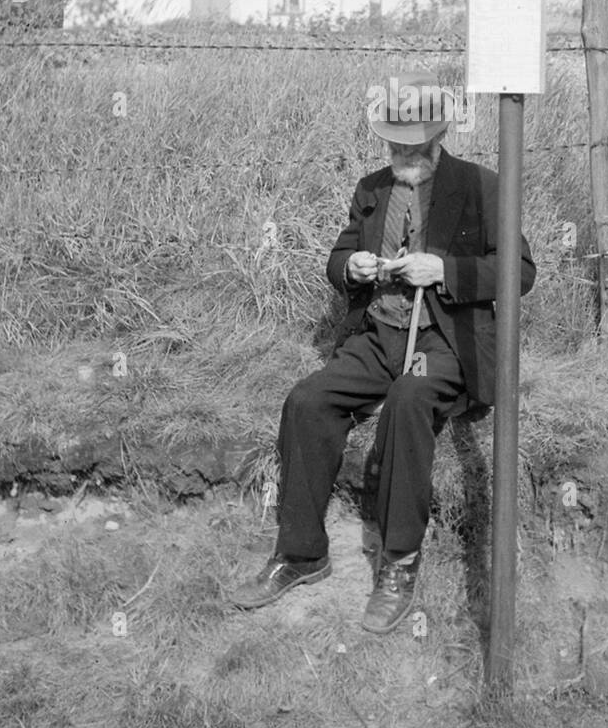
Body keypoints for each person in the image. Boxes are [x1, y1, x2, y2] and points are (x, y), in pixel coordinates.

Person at [230, 69, 537, 633]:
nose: (402, 153)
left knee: (409, 400)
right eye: (394, 143)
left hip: (445, 342)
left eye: (413, 145)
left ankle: (398, 562)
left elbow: (520, 272)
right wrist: (352, 266)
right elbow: (337, 255)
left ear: (438, 136)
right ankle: (302, 553)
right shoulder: (372, 189)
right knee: (307, 401)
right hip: (378, 336)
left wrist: (444, 269)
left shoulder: (482, 187)